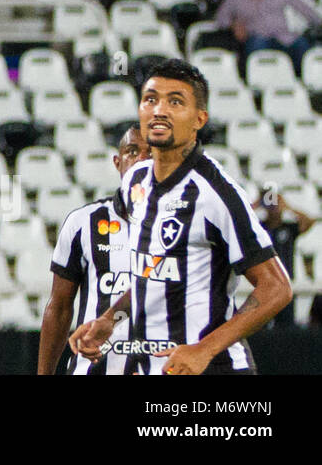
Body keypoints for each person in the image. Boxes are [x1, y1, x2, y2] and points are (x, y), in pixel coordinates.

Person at [69, 59, 292, 374]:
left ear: (199, 118)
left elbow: (276, 287)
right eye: (151, 99)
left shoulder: (216, 194)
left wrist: (204, 350)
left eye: (175, 101)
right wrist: (110, 320)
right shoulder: (136, 181)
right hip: (158, 367)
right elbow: (153, 274)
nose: (159, 110)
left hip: (215, 368)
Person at [39, 127, 149, 375]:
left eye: (151, 153)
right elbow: (59, 306)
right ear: (118, 162)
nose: (142, 159)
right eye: (132, 151)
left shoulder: (184, 226)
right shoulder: (82, 222)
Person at [215, 0, 321, 73]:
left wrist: (319, 21)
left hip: (284, 37)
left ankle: (303, 79)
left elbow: (303, 8)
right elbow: (220, 18)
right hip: (257, 37)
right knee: (257, 45)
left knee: (301, 44)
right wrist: (234, 25)